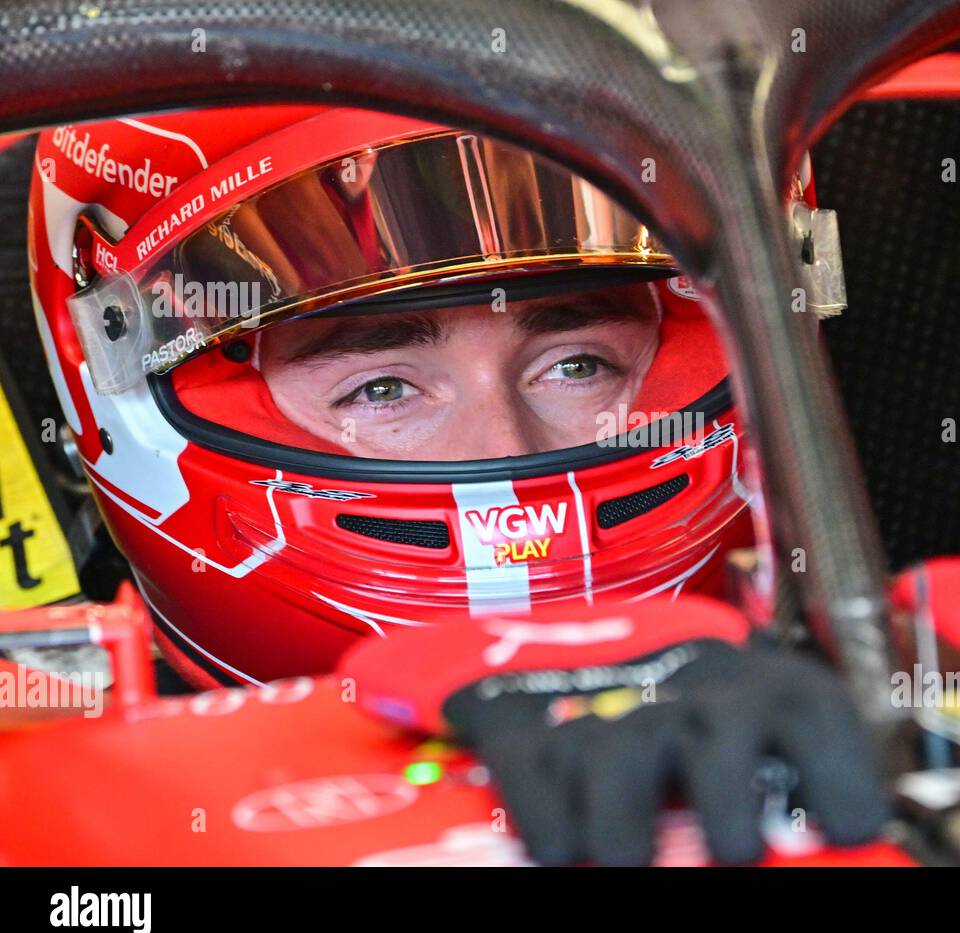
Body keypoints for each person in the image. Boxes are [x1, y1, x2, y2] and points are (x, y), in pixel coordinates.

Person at [29, 105, 890, 864]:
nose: (502, 450)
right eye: (382, 389)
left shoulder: (901, 696)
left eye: (577, 364)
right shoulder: (44, 791)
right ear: (114, 394)